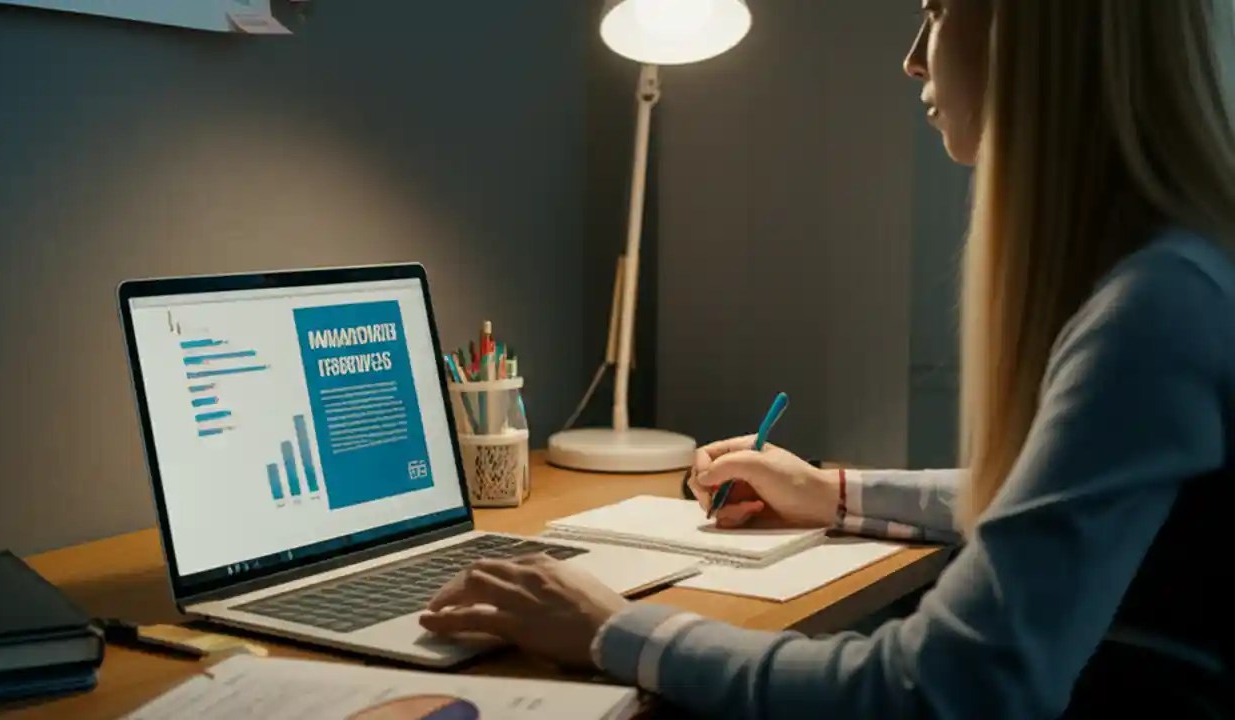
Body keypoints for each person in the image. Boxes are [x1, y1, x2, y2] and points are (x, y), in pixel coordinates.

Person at [419, 0, 1235, 716]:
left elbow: (941, 692)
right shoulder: (1177, 269)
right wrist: (834, 491)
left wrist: (611, 626)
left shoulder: (1153, 310)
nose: (913, 54)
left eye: (938, 8)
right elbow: (1057, 503)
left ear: (1032, 34)